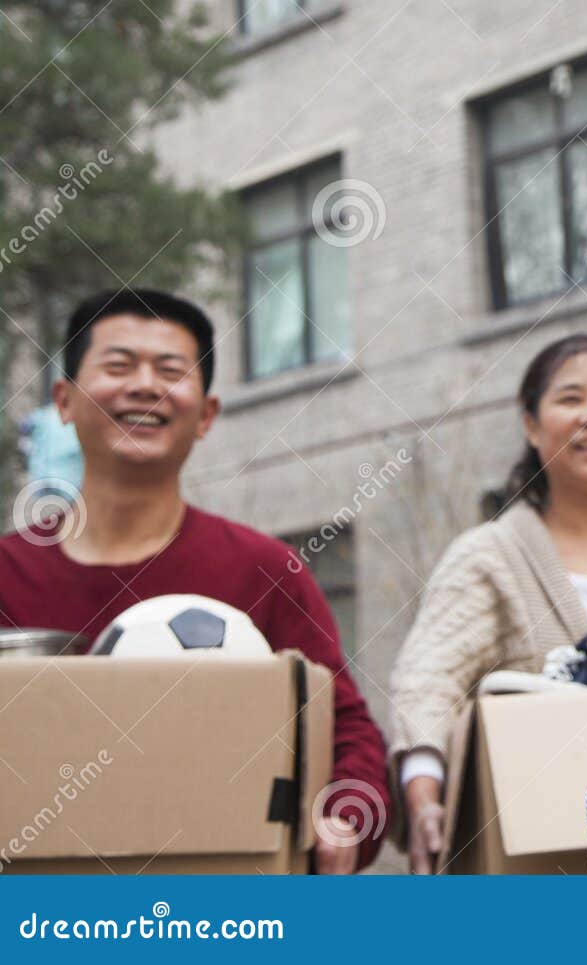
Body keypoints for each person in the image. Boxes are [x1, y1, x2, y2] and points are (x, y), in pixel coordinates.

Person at [0, 288, 391, 872]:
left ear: (206, 415)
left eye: (169, 370)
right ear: (64, 400)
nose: (143, 385)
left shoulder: (264, 570)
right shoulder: (9, 572)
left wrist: (345, 815)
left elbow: (346, 729)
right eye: (118, 365)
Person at [388, 334, 587, 874]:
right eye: (570, 399)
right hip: (530, 853)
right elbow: (428, 679)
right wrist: (424, 791)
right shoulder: (488, 555)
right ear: (530, 423)